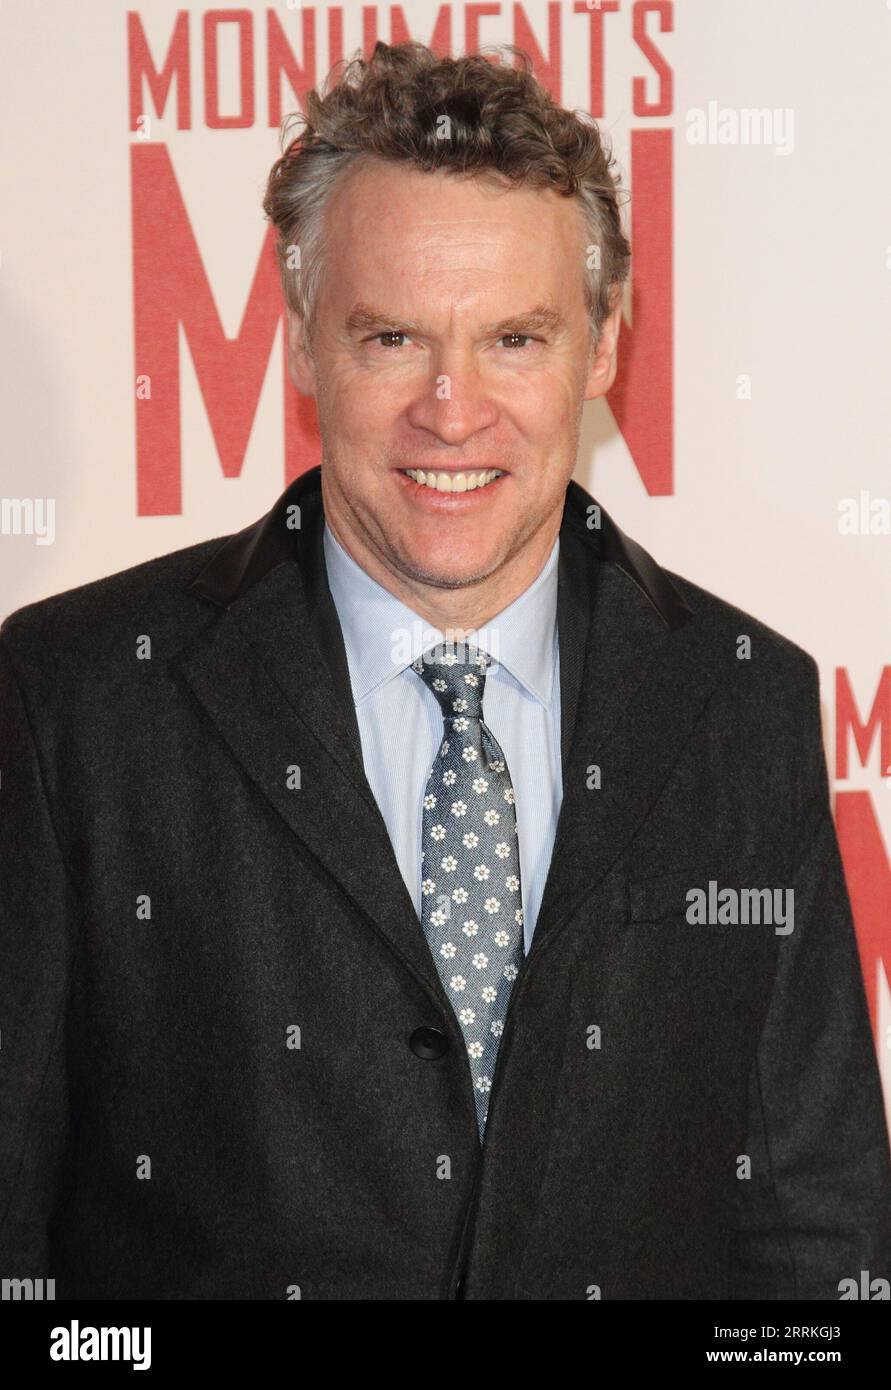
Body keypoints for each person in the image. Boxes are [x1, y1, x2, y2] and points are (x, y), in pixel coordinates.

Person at [1, 40, 888, 1301]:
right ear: (304, 347)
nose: (453, 408)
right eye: (392, 338)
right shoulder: (75, 700)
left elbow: (817, 1226)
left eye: (517, 339)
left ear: (605, 347)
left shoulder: (742, 699)